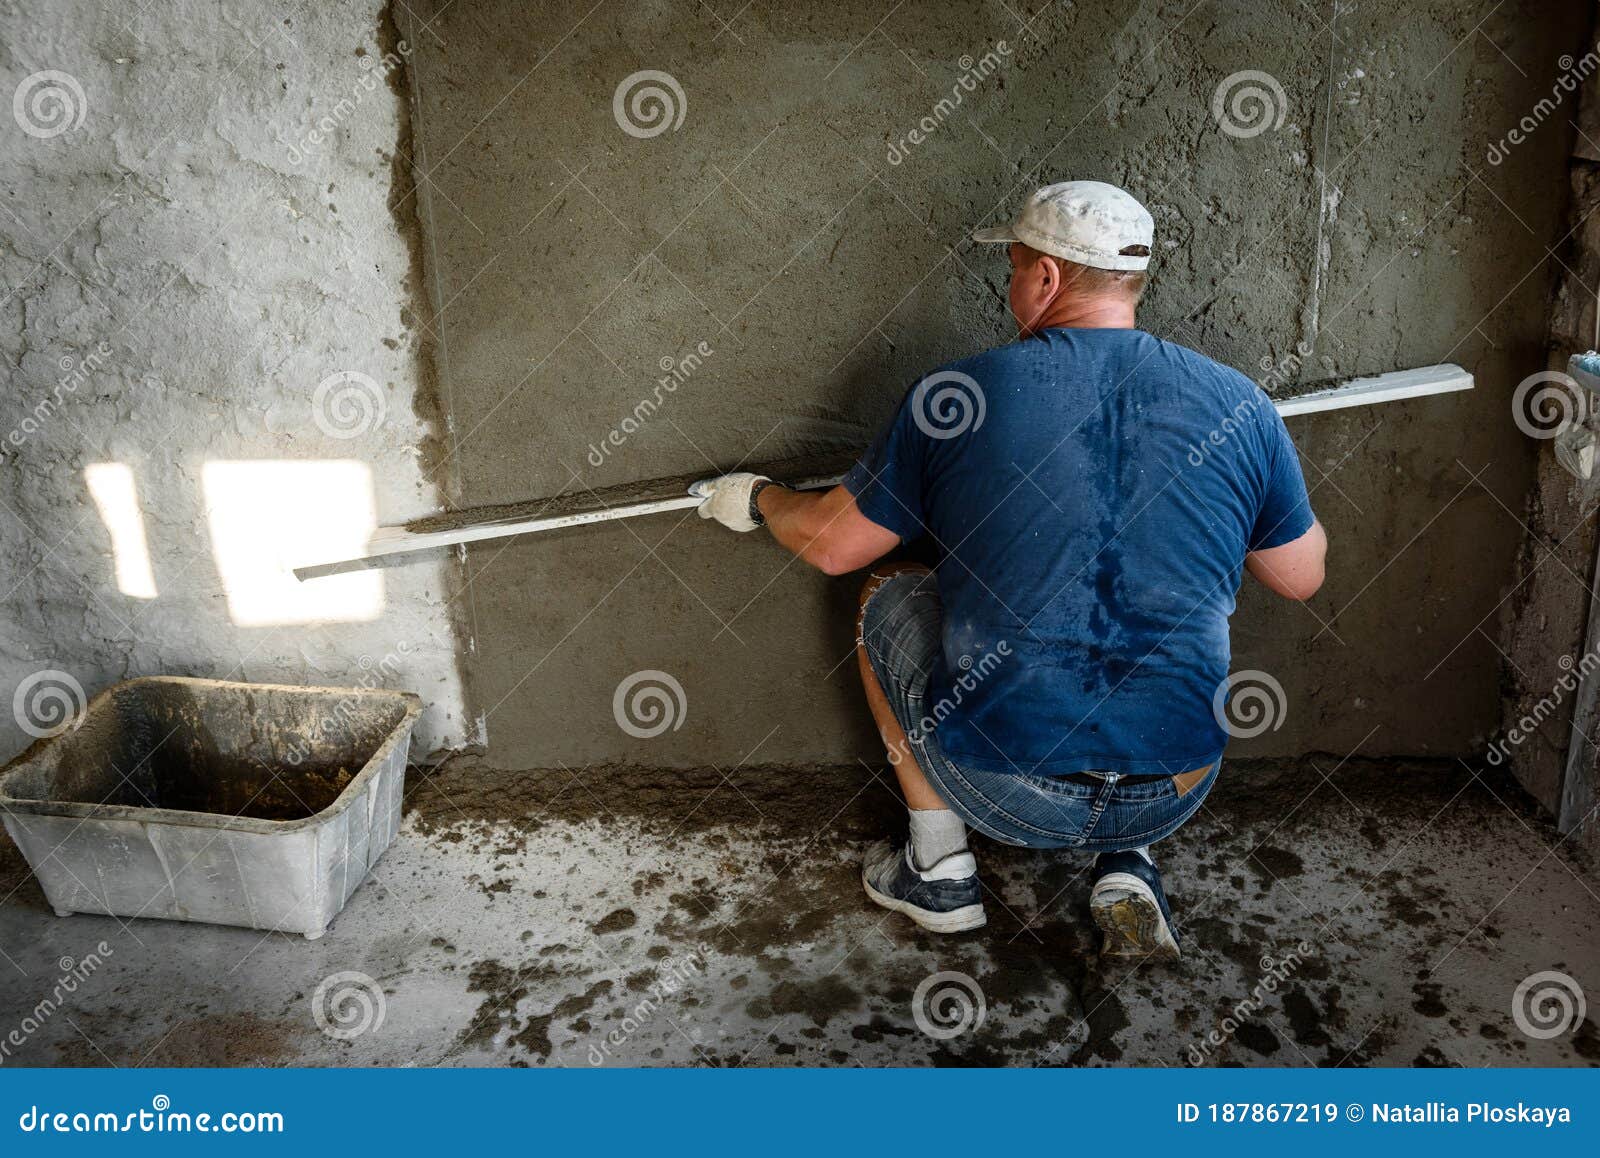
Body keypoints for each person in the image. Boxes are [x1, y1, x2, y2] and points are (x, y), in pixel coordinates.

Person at [694, 180, 1325, 959]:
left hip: (1009, 796)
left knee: (888, 591)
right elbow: (1299, 577)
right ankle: (1128, 862)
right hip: (1175, 792)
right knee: (1182, 596)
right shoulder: (1241, 404)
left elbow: (832, 544)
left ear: (1048, 279)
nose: (1010, 283)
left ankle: (938, 869)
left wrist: (758, 498)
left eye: (1016, 265)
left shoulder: (955, 396)